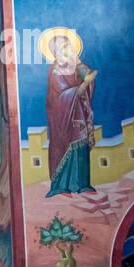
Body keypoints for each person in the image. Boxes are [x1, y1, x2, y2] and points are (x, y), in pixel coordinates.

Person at [44, 31, 96, 196]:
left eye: (69, 47)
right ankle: (60, 185)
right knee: (64, 148)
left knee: (81, 146)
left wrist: (80, 66)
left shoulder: (76, 68)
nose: (68, 51)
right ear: (56, 52)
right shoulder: (55, 71)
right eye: (64, 48)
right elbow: (60, 96)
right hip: (62, 119)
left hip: (78, 114)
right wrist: (81, 87)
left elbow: (88, 82)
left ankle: (83, 184)